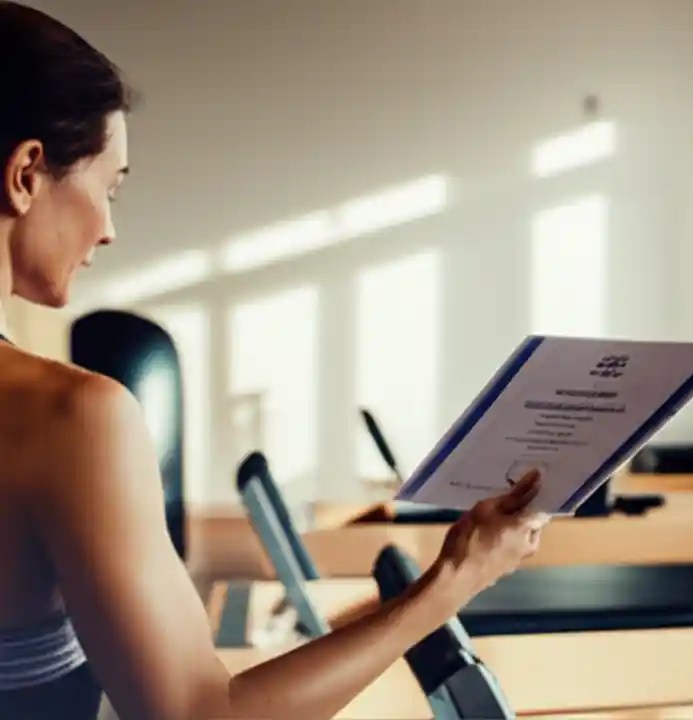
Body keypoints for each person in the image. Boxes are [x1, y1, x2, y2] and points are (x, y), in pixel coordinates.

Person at [0, 3, 549, 718]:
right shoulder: (70, 418)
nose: (109, 229)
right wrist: (455, 579)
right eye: (111, 187)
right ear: (26, 173)